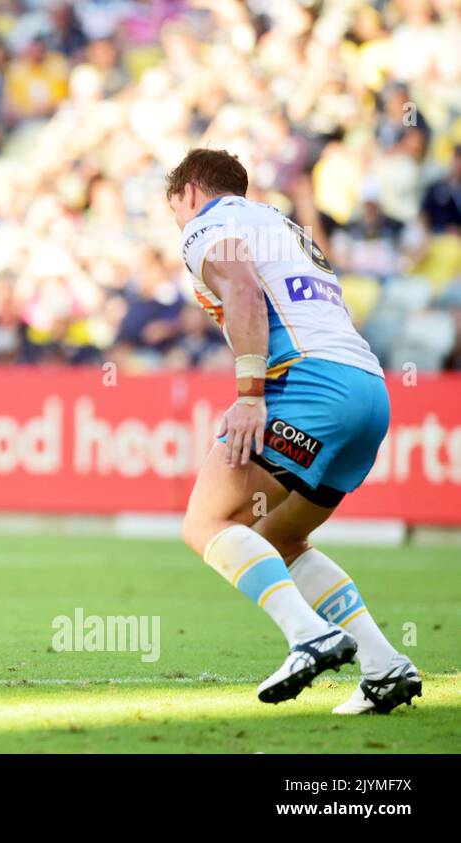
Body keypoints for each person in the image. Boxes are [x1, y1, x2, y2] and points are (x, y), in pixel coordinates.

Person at [169, 149, 421, 714]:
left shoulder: (208, 225)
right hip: (367, 389)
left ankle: (308, 635)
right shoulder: (283, 227)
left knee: (206, 521)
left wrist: (249, 395)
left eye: (175, 212)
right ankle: (384, 667)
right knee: (281, 539)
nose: (179, 226)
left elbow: (240, 287)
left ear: (189, 194)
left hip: (308, 387)